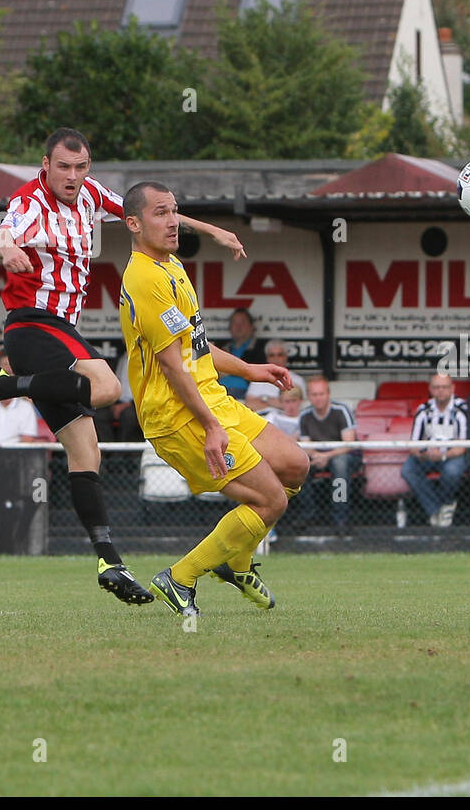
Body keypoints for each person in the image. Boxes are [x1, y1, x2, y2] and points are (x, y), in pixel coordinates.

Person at [0, 127, 244, 607]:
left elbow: (146, 213)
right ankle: (3, 387)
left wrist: (211, 230)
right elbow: (3, 231)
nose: (71, 177)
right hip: (34, 325)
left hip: (56, 337)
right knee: (108, 386)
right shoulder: (29, 202)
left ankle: (110, 562)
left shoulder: (90, 195)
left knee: (86, 454)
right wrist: (7, 249)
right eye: (63, 167)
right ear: (44, 164)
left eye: (80, 167)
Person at [118, 181, 307, 616]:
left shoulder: (172, 267)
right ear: (133, 223)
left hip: (210, 397)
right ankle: (179, 577)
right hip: (178, 414)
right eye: (161, 214)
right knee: (270, 500)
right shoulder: (144, 278)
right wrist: (211, 426)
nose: (172, 222)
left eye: (175, 212)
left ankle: (236, 561)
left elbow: (195, 346)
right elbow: (171, 366)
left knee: (295, 464)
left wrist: (250, 369)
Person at [402, 373, 470, 527]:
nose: (441, 391)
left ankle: (446, 503)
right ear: (430, 390)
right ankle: (436, 510)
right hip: (427, 456)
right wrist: (424, 453)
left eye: (445, 387)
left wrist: (443, 454)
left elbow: (463, 446)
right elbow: (413, 444)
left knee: (452, 471)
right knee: (407, 470)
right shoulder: (423, 410)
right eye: (437, 387)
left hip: (452, 455)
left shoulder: (461, 409)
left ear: (452, 388)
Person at [295, 376, 360, 533]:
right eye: (314, 394)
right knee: (300, 465)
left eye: (322, 394)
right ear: (309, 396)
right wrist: (317, 455)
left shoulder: (341, 410)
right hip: (318, 456)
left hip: (346, 456)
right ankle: (309, 514)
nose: (318, 398)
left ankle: (341, 518)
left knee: (340, 465)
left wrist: (327, 456)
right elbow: (306, 445)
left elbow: (349, 443)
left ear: (329, 394)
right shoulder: (305, 415)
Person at [245, 340, 306, 413]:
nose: (276, 359)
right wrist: (270, 401)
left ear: (286, 357)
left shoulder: (297, 380)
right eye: (272, 355)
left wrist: (263, 401)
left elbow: (303, 406)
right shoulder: (258, 379)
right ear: (267, 358)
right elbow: (249, 404)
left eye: (280, 355)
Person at [94, 353, 143, 442]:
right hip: (116, 401)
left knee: (128, 416)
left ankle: (123, 452)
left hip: (136, 404)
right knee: (99, 415)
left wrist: (128, 404)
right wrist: (113, 403)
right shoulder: (120, 357)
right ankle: (109, 451)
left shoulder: (143, 358)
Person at [217, 309, 265, 400]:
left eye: (243, 322)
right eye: (235, 323)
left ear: (251, 327)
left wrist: (228, 371)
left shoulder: (260, 349)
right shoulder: (221, 346)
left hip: (247, 396)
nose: (238, 326)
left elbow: (256, 373)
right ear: (230, 327)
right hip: (219, 393)